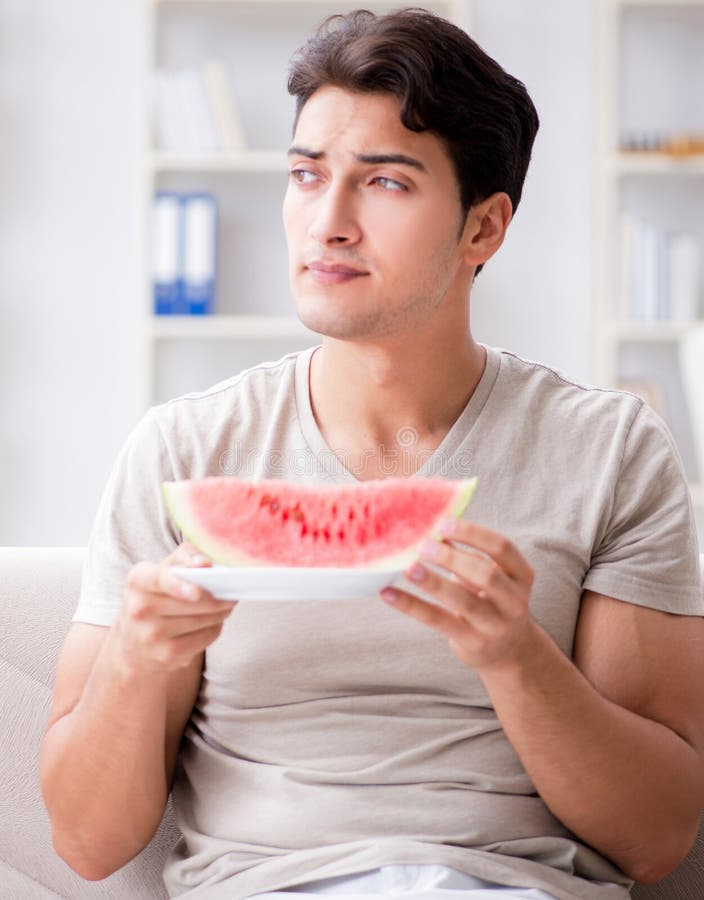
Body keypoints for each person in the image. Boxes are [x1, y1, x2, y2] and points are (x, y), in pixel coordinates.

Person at [40, 8, 704, 900]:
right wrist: (136, 658)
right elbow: (85, 842)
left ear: (485, 229)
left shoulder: (611, 449)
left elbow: (657, 838)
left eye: (385, 184)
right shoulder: (185, 449)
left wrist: (515, 655)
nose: (329, 223)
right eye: (307, 176)